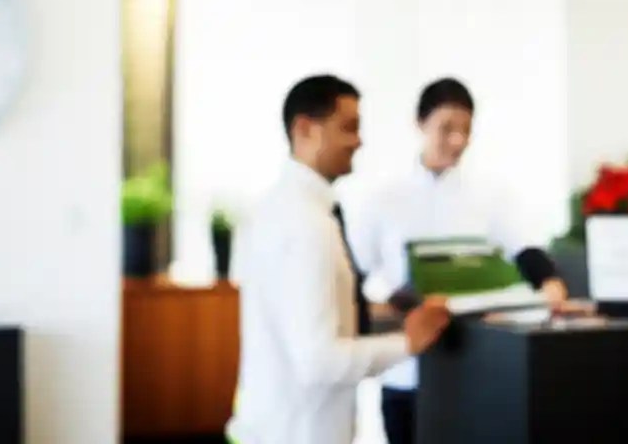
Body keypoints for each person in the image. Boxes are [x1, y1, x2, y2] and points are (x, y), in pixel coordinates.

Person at [226, 75, 452, 444]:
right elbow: (318, 359)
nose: (359, 141)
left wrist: (377, 310)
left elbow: (298, 316)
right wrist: (408, 343)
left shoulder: (281, 208)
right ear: (305, 129)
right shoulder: (303, 223)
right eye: (348, 127)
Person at [347, 77, 568, 444]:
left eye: (465, 131)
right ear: (420, 124)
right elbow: (357, 272)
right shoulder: (383, 198)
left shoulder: (490, 193)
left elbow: (525, 249)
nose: (457, 141)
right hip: (406, 369)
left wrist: (550, 283)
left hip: (473, 361)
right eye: (446, 128)